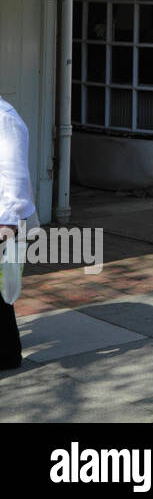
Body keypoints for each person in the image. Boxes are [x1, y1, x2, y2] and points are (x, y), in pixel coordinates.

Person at [1, 95, 37, 370]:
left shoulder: (5, 118)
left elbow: (16, 175)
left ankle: (8, 355)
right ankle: (7, 354)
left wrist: (10, 223)